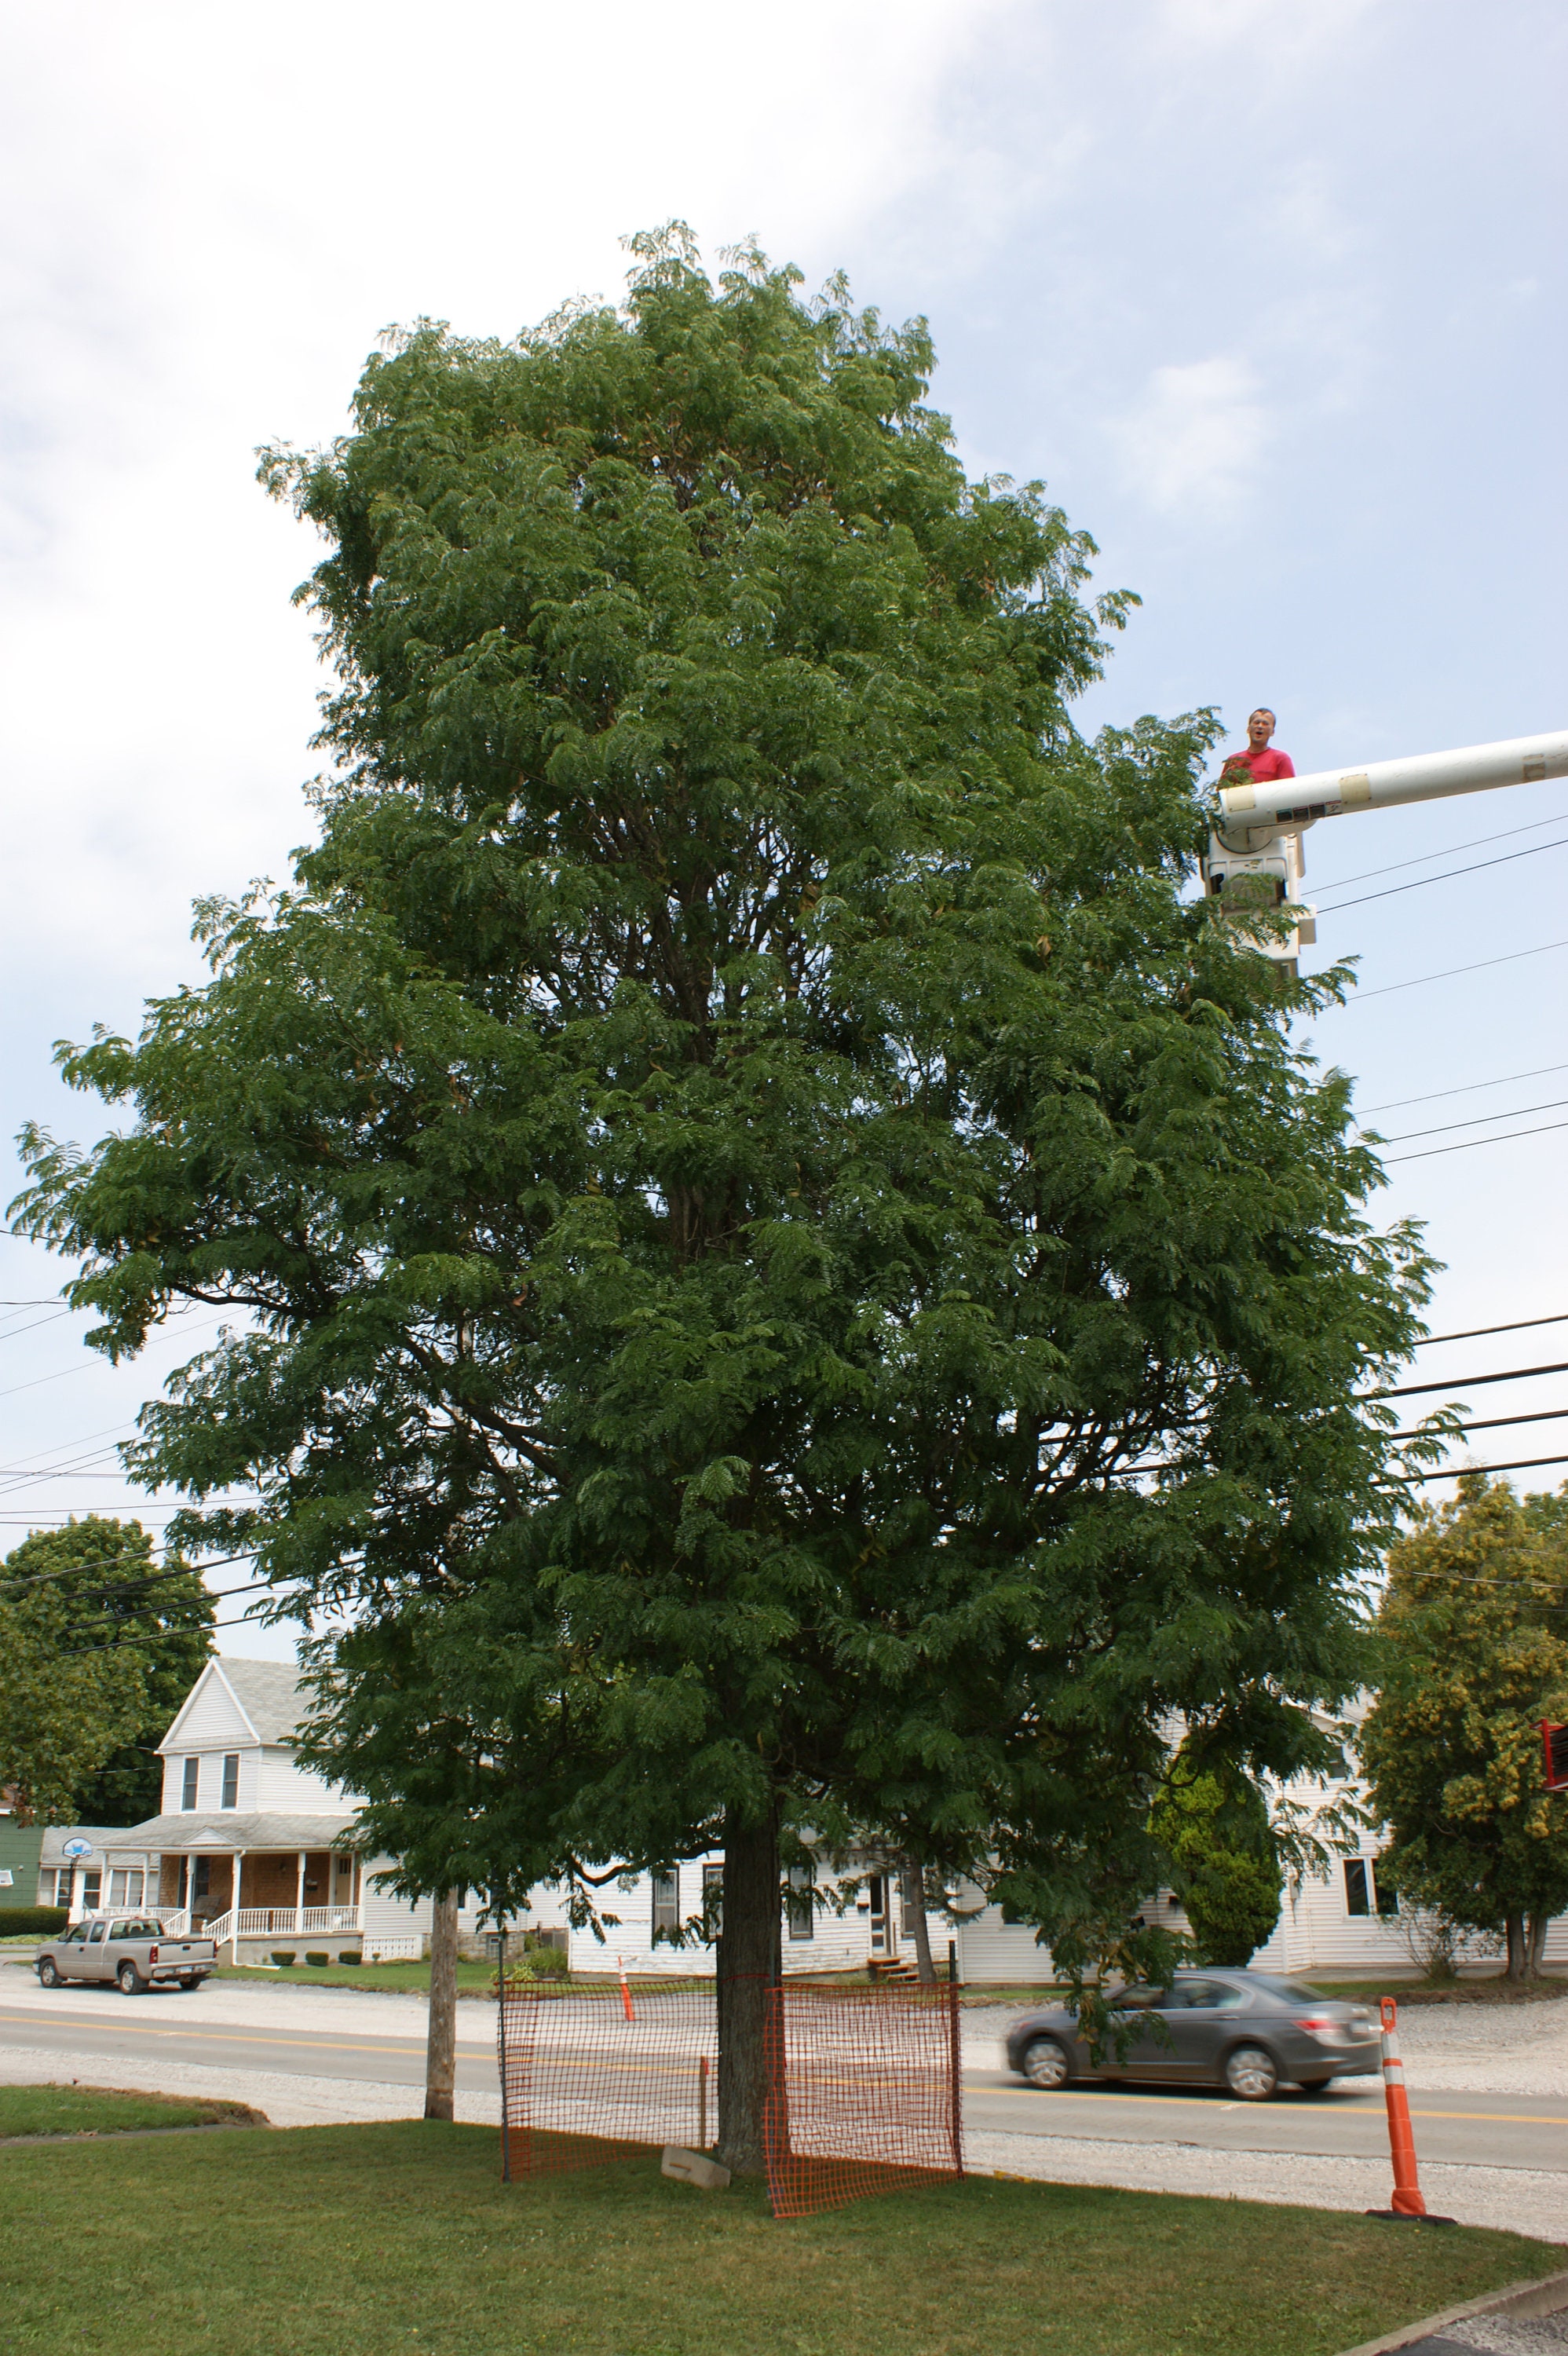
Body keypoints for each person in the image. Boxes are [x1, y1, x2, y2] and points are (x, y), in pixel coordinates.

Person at [1220, 708, 1296, 786]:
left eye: (1265, 724)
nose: (1260, 726)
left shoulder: (1281, 759)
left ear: (1272, 732)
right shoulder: (1233, 760)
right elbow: (1223, 794)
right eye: (1256, 722)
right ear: (1248, 729)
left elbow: (1289, 791)